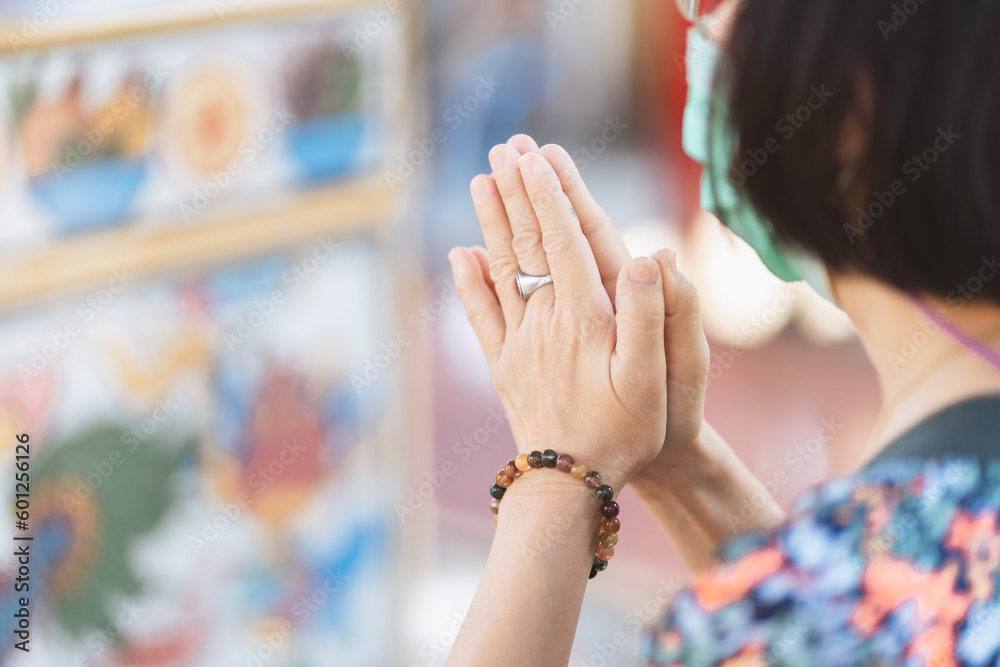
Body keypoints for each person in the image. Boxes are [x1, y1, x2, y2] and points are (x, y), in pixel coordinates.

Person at [445, 0, 1000, 664]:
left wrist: (557, 472)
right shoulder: (841, 595)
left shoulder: (779, 622)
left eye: (724, 11)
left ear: (851, 115)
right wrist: (676, 457)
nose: (707, 39)